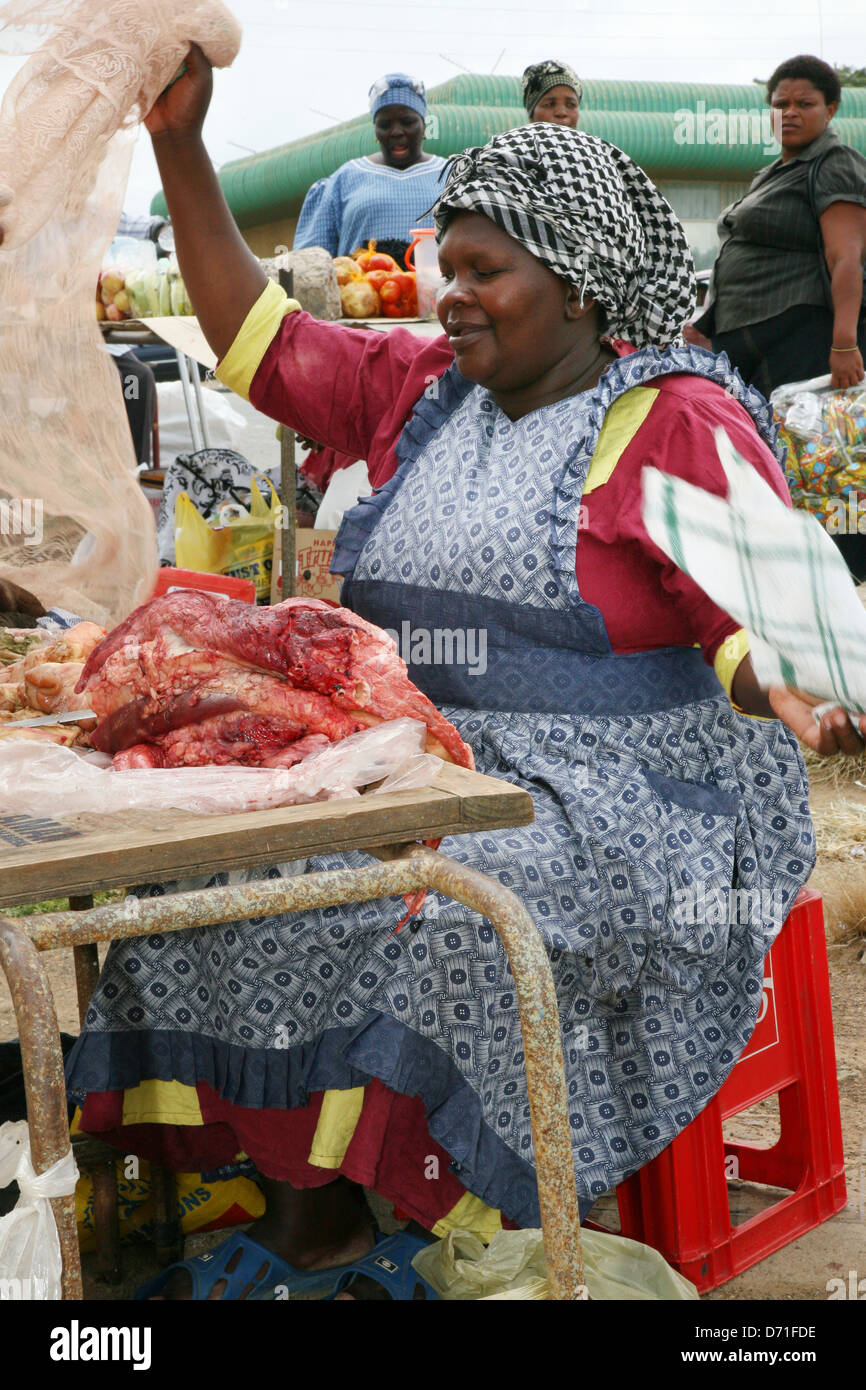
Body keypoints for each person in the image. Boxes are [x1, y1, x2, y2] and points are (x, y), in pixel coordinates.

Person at [62, 44, 866, 1301]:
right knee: (233, 870)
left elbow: (776, 622)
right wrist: (180, 147)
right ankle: (302, 1206)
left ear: (583, 282)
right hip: (434, 760)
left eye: (485, 271)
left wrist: (798, 681)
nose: (450, 295)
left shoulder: (672, 418)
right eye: (448, 266)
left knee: (438, 919)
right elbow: (262, 346)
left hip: (636, 808)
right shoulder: (430, 389)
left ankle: (438, 1205)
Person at [696, 55, 866, 396]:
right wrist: (705, 326)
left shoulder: (835, 163)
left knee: (792, 444)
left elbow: (846, 257)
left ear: (830, 110)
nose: (790, 112)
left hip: (799, 341)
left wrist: (845, 343)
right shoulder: (771, 173)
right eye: (780, 104)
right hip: (749, 343)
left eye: (805, 104)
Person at [293, 72, 446, 266]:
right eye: (385, 124)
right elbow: (310, 264)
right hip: (360, 294)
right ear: (375, 130)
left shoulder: (452, 177)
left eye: (407, 122)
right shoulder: (344, 180)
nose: (397, 132)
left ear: (423, 125)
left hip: (438, 294)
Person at [522, 59, 582, 129]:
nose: (561, 112)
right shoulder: (514, 139)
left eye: (571, 104)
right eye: (549, 104)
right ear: (531, 116)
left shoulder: (592, 140)